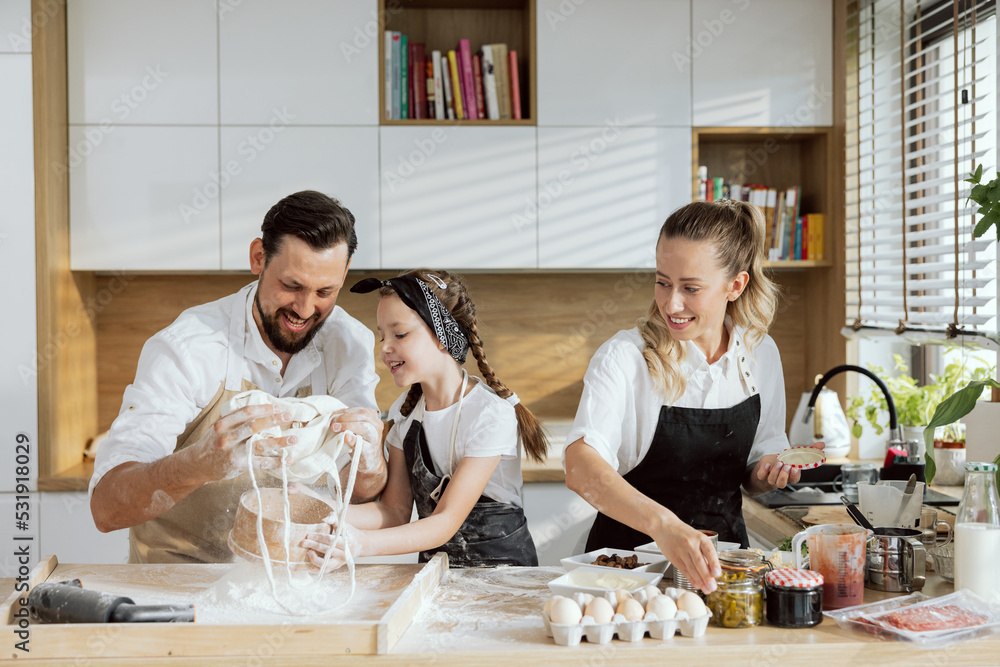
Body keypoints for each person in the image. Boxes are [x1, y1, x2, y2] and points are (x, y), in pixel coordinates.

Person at [89, 190, 388, 564]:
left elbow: (360, 494)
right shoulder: (188, 348)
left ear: (343, 277)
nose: (305, 309)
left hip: (296, 579)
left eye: (325, 291)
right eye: (292, 286)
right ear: (258, 257)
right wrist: (199, 463)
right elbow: (106, 509)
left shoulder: (350, 344)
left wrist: (371, 460)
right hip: (180, 582)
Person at [563, 200, 824, 593]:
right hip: (628, 573)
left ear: (735, 286)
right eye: (662, 282)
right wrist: (665, 527)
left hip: (724, 571)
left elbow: (754, 470)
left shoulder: (760, 354)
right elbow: (579, 466)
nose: (671, 304)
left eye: (691, 288)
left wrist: (767, 472)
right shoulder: (626, 357)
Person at [297, 269, 546, 568]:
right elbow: (394, 511)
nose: (384, 348)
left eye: (399, 334)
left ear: (442, 336)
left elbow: (446, 521)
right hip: (437, 573)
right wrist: (316, 506)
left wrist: (361, 544)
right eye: (382, 336)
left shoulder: (490, 415)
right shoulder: (406, 411)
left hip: (504, 577)